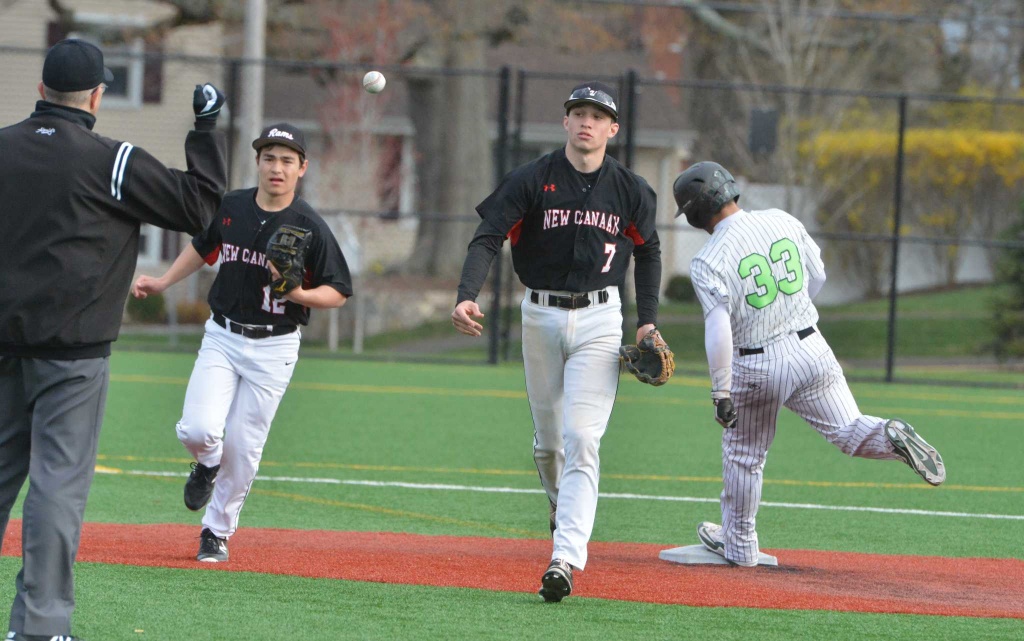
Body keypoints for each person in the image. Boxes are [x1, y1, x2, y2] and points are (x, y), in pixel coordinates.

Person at [0, 39, 227, 641]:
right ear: (98, 95)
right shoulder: (111, 160)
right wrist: (205, 129)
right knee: (55, 485)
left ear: (41, 90)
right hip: (70, 357)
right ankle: (42, 626)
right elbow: (200, 207)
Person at [451, 81, 662, 602]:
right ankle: (558, 501)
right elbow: (488, 236)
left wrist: (646, 321)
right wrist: (466, 294)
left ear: (612, 129)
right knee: (549, 445)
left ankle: (565, 558)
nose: (586, 122)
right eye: (578, 113)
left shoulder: (630, 189)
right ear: (565, 123)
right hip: (540, 314)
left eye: (598, 115)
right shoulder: (532, 179)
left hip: (600, 320)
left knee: (582, 439)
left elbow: (649, 251)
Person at [675, 161, 946, 567]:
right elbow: (816, 275)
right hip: (810, 345)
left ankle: (741, 548)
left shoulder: (708, 259)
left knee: (745, 456)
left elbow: (719, 329)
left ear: (695, 210)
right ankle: (889, 435)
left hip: (758, 363)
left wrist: (721, 390)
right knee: (851, 431)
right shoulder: (781, 219)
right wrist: (792, 313)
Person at [131, 123, 353, 563]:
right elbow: (202, 247)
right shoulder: (231, 206)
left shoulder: (309, 225)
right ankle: (206, 462)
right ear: (258, 162)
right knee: (198, 429)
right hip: (223, 335)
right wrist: (162, 282)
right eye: (269, 157)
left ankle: (216, 531)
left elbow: (339, 291)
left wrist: (300, 295)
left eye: (287, 160)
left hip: (275, 346)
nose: (277, 167)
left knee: (244, 449)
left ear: (301, 168)